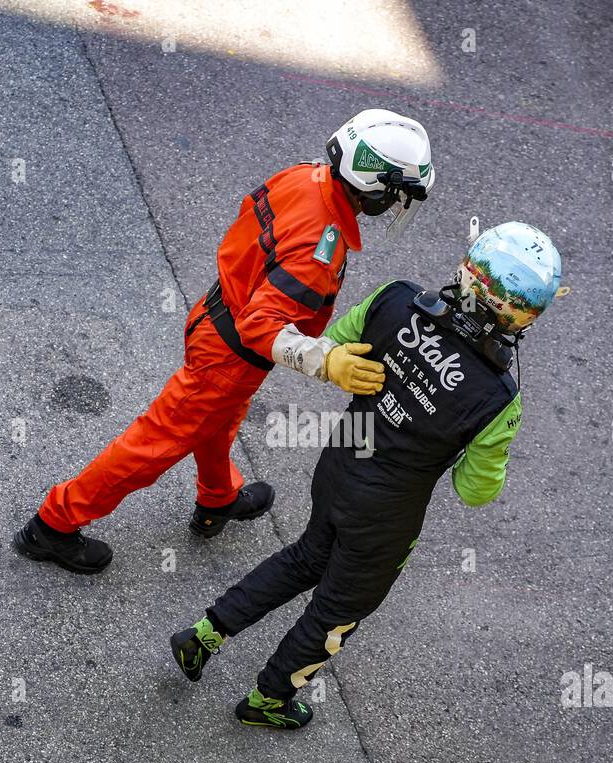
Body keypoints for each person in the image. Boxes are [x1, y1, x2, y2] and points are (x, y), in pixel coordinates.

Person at [169, 222, 568, 729]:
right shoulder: (497, 399)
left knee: (305, 557)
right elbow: (474, 491)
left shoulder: (396, 299)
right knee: (337, 610)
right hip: (385, 515)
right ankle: (269, 700)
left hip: (341, 463)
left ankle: (205, 634)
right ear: (523, 315)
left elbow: (334, 343)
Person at [12, 109, 435, 573]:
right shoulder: (321, 249)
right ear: (373, 186)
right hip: (230, 354)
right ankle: (52, 526)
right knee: (153, 446)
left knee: (220, 420)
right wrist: (327, 360)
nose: (396, 205)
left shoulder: (305, 176)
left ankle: (218, 499)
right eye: (397, 194)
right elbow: (261, 326)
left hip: (216, 316)